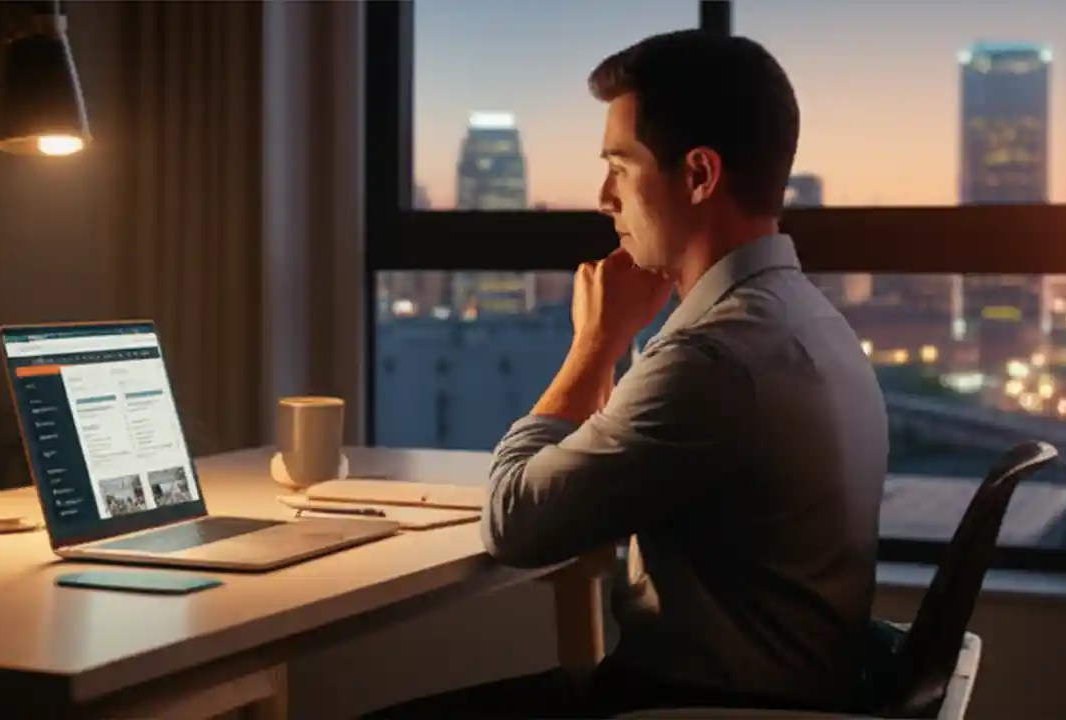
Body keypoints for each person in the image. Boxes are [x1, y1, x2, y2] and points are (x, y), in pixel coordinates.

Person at [365, 27, 888, 720]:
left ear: (699, 175)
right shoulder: (807, 321)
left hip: (688, 704)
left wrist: (597, 342)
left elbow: (514, 523)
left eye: (621, 166)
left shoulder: (716, 358)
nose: (604, 198)